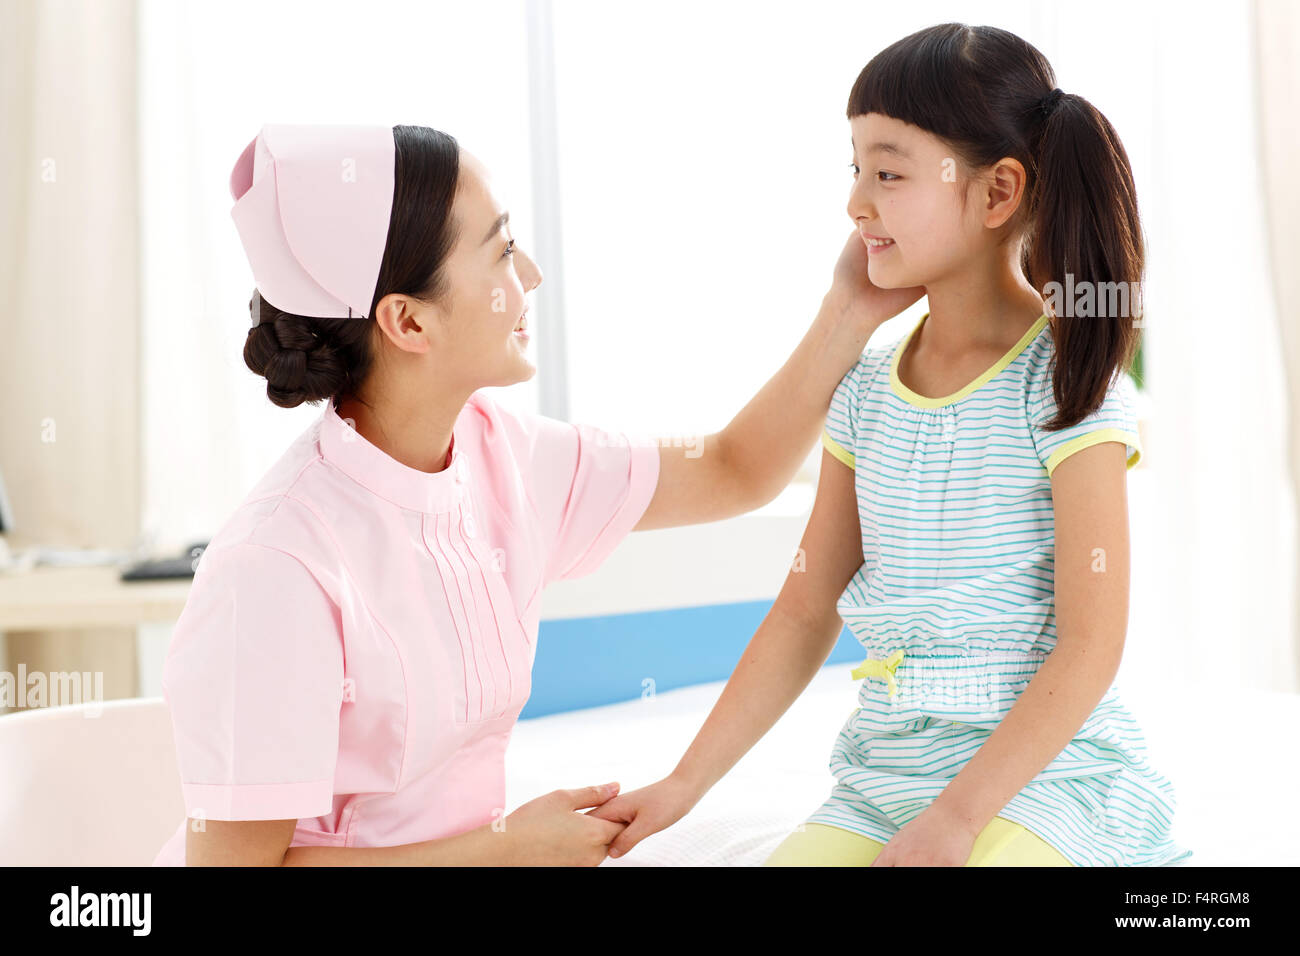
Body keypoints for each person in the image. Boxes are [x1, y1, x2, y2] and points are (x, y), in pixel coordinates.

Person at [152, 123, 922, 865]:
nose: (530, 277)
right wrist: (500, 854)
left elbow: (731, 468)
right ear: (408, 321)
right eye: (502, 250)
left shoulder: (500, 452)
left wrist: (850, 308)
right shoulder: (276, 567)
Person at [589, 23, 1193, 867]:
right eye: (855, 169)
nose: (855, 203)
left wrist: (957, 820)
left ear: (996, 194)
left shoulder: (1066, 382)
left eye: (889, 172)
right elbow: (804, 610)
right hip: (888, 780)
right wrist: (684, 785)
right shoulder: (868, 390)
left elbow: (1092, 642)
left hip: (1046, 782)